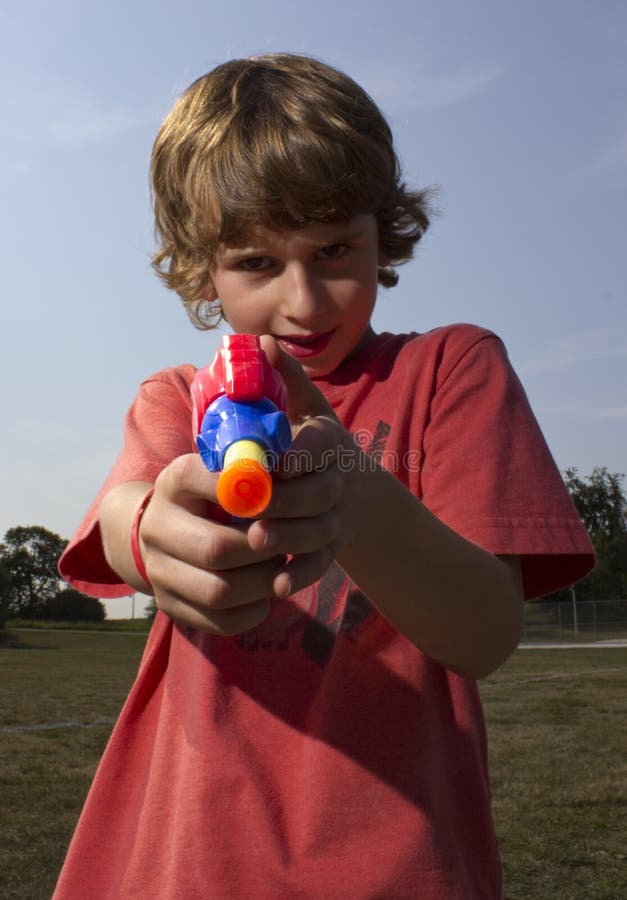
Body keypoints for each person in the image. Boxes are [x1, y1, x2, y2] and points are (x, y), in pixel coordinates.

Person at [54, 53, 594, 899]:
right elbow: (122, 517)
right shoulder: (180, 397)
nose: (304, 301)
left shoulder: (451, 370)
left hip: (396, 867)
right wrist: (150, 529)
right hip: (185, 866)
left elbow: (485, 637)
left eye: (334, 250)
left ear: (384, 234)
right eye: (256, 263)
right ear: (203, 266)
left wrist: (355, 498)